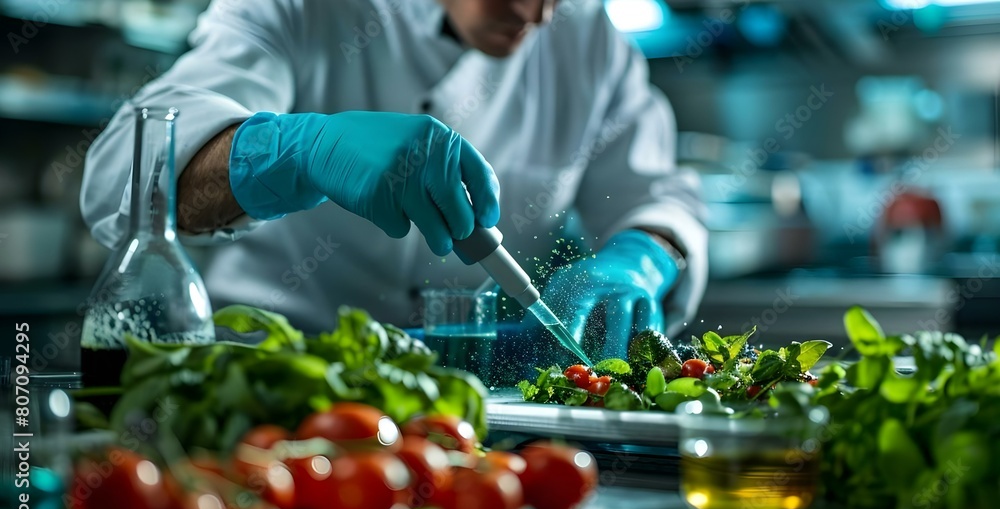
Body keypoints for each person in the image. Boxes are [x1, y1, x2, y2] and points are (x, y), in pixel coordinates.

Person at [80, 0, 707, 354]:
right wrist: (296, 150)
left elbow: (659, 196)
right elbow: (118, 178)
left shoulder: (591, 43)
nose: (533, 12)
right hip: (275, 384)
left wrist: (641, 257)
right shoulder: (297, 9)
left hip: (476, 416)